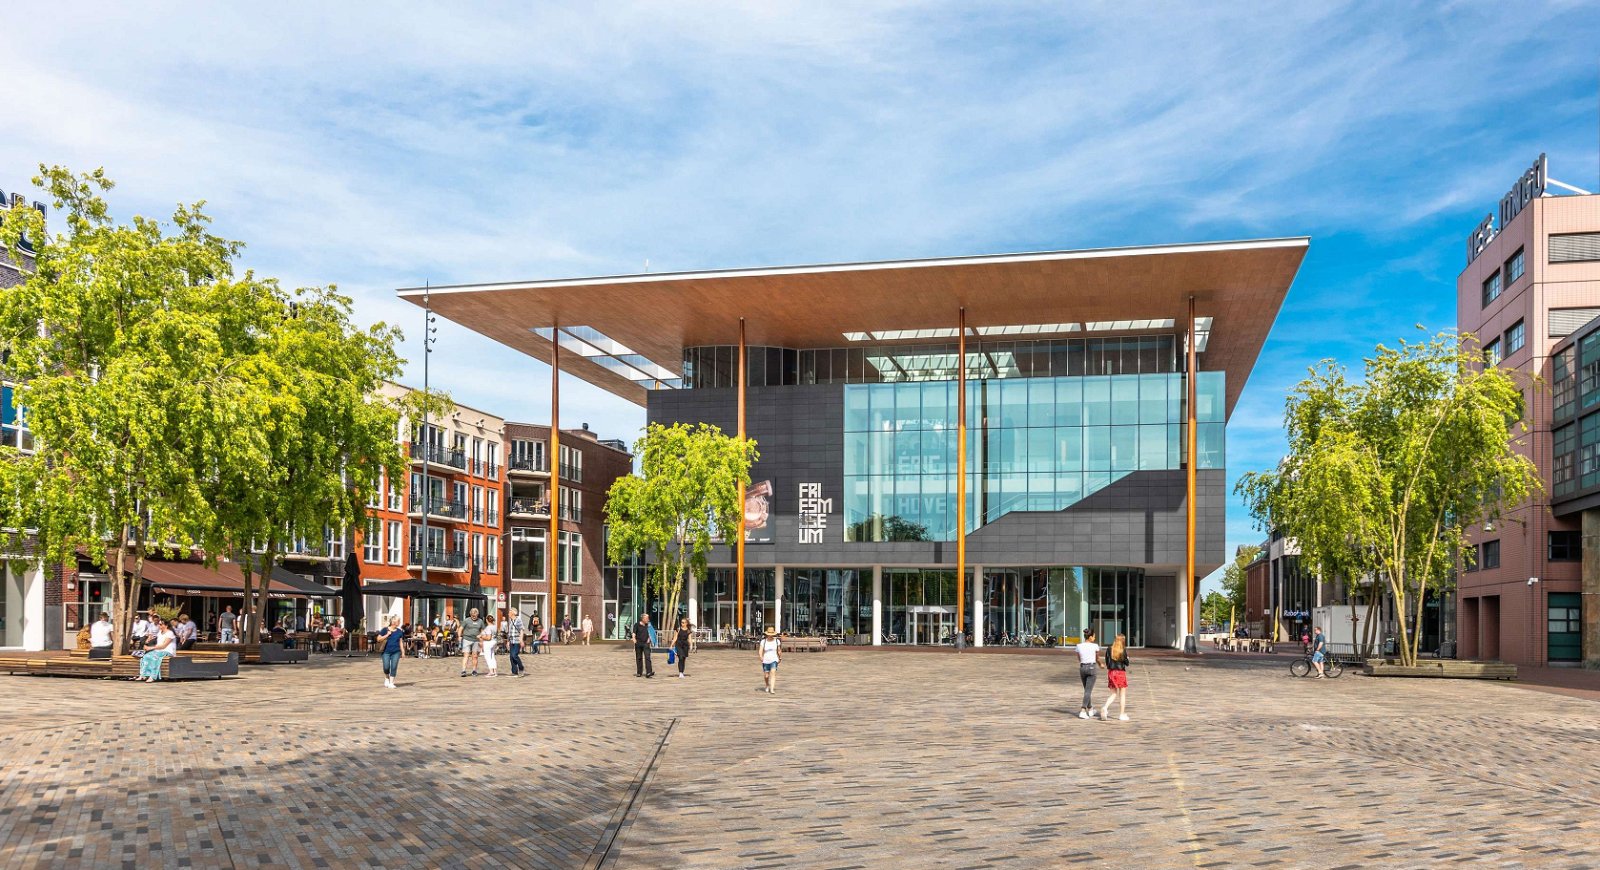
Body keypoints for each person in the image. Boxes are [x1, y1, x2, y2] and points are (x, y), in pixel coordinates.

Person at [1100, 633, 1131, 721]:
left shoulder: (1109, 649)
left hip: (1111, 672)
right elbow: (1127, 663)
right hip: (1120, 673)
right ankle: (1122, 714)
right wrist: (1127, 658)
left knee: (1113, 693)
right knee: (1122, 694)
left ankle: (1105, 707)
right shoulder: (1122, 650)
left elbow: (1107, 662)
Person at [136, 618, 177, 682]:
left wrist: (150, 648)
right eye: (159, 624)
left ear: (166, 625)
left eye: (161, 624)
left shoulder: (170, 633)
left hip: (168, 651)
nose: (159, 626)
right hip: (159, 651)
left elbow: (163, 646)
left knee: (154, 657)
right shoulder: (160, 633)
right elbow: (157, 643)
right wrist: (148, 641)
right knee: (146, 656)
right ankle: (143, 675)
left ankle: (153, 676)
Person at [1075, 629, 1101, 719]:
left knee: (1087, 689)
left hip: (1082, 668)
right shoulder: (1095, 646)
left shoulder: (1078, 646)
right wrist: (1101, 664)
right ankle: (1082, 710)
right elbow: (1097, 658)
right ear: (1090, 637)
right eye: (1094, 636)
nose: (1095, 638)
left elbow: (1079, 658)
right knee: (1088, 691)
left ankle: (1090, 709)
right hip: (1091, 668)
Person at [377, 615, 406, 689]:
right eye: (398, 621)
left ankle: (391, 682)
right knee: (386, 667)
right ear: (393, 622)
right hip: (386, 652)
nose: (399, 623)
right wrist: (387, 635)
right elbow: (378, 639)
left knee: (394, 666)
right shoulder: (385, 630)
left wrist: (402, 652)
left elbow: (400, 642)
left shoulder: (399, 631)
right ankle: (387, 677)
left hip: (396, 652)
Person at [460, 607, 485, 677]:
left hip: (476, 641)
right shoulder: (466, 620)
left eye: (475, 615)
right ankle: (463, 670)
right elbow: (461, 628)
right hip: (467, 639)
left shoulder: (480, 621)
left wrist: (481, 637)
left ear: (477, 615)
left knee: (475, 656)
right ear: (470, 614)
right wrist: (459, 636)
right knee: (466, 655)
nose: (473, 616)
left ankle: (474, 670)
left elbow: (483, 631)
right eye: (472, 615)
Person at [759, 626, 781, 694]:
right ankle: (767, 685)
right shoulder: (763, 641)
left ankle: (772, 689)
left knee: (773, 673)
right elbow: (760, 650)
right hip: (766, 659)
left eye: (772, 635)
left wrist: (780, 657)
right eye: (769, 635)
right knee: (766, 675)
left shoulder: (777, 641)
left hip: (774, 659)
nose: (770, 636)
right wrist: (761, 656)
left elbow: (779, 650)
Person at [633, 614, 655, 678]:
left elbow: (652, 633)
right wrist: (634, 638)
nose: (648, 619)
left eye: (648, 618)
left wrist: (650, 639)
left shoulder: (649, 625)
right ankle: (639, 672)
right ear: (642, 619)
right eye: (646, 618)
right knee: (639, 658)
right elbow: (634, 633)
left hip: (646, 643)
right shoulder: (637, 625)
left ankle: (649, 672)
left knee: (647, 657)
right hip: (638, 643)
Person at [505, 610, 526, 677]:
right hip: (512, 641)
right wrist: (508, 641)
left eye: (509, 612)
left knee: (514, 655)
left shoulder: (518, 620)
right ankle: (514, 672)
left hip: (517, 641)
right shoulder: (511, 621)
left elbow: (521, 630)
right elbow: (509, 633)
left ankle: (521, 668)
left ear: (513, 613)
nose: (508, 614)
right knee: (511, 657)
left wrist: (521, 640)